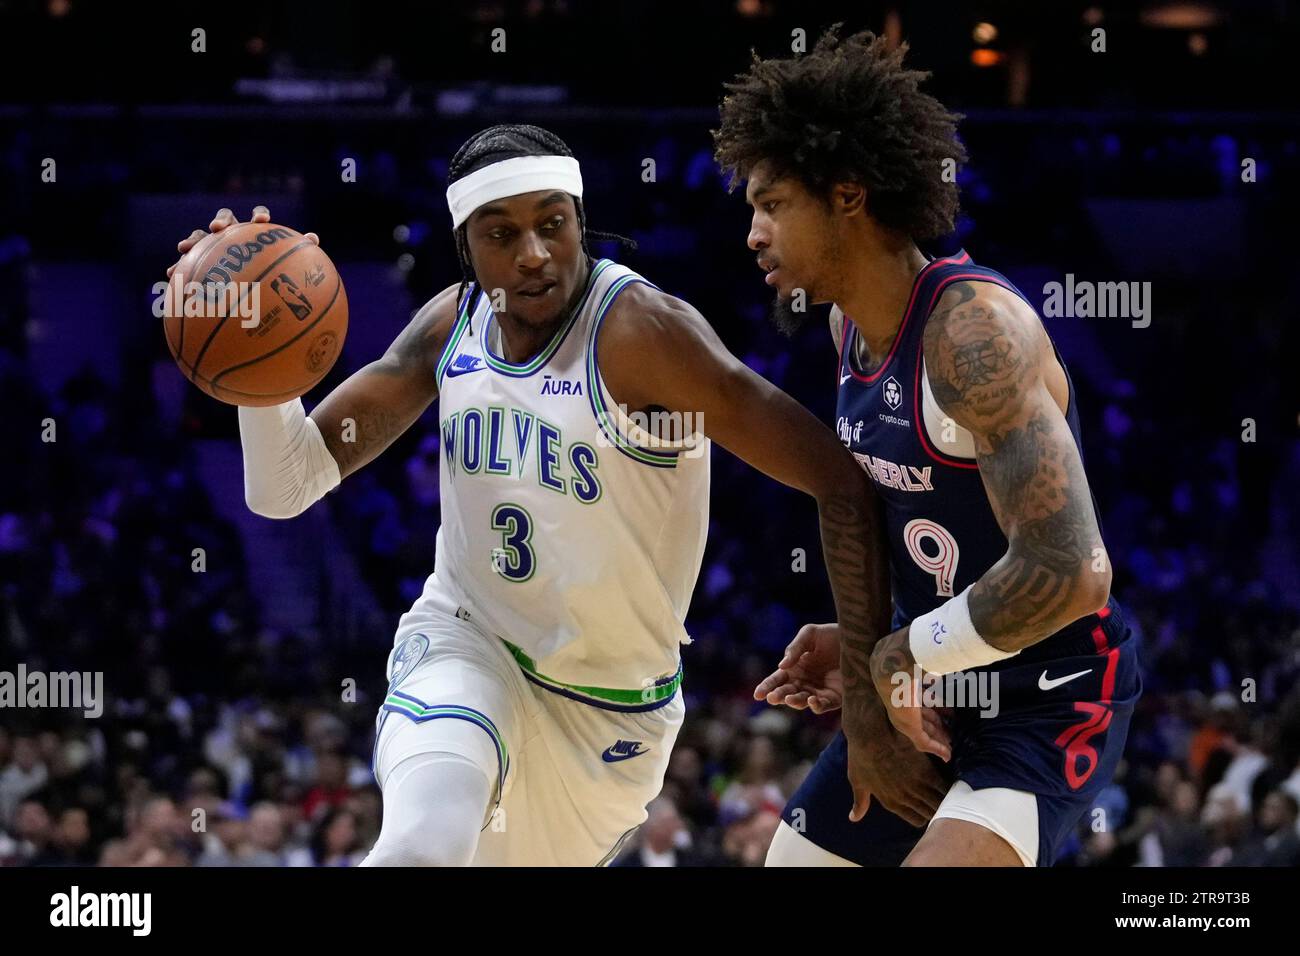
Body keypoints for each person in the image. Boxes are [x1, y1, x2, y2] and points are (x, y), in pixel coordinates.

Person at [168, 124, 897, 865]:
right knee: (420, 844)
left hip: (607, 712)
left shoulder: (644, 336)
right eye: (501, 233)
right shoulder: (451, 327)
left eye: (554, 223)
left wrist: (872, 691)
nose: (535, 253)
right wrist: (255, 367)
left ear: (581, 221)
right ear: (465, 247)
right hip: (467, 640)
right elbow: (287, 486)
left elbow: (837, 481)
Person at [717, 26, 1142, 866]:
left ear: (847, 193)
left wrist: (904, 652)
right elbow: (891, 516)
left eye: (772, 204)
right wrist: (870, 640)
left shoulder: (974, 334)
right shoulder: (848, 328)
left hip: (1049, 694)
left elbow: (1073, 569)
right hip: (936, 681)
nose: (753, 235)